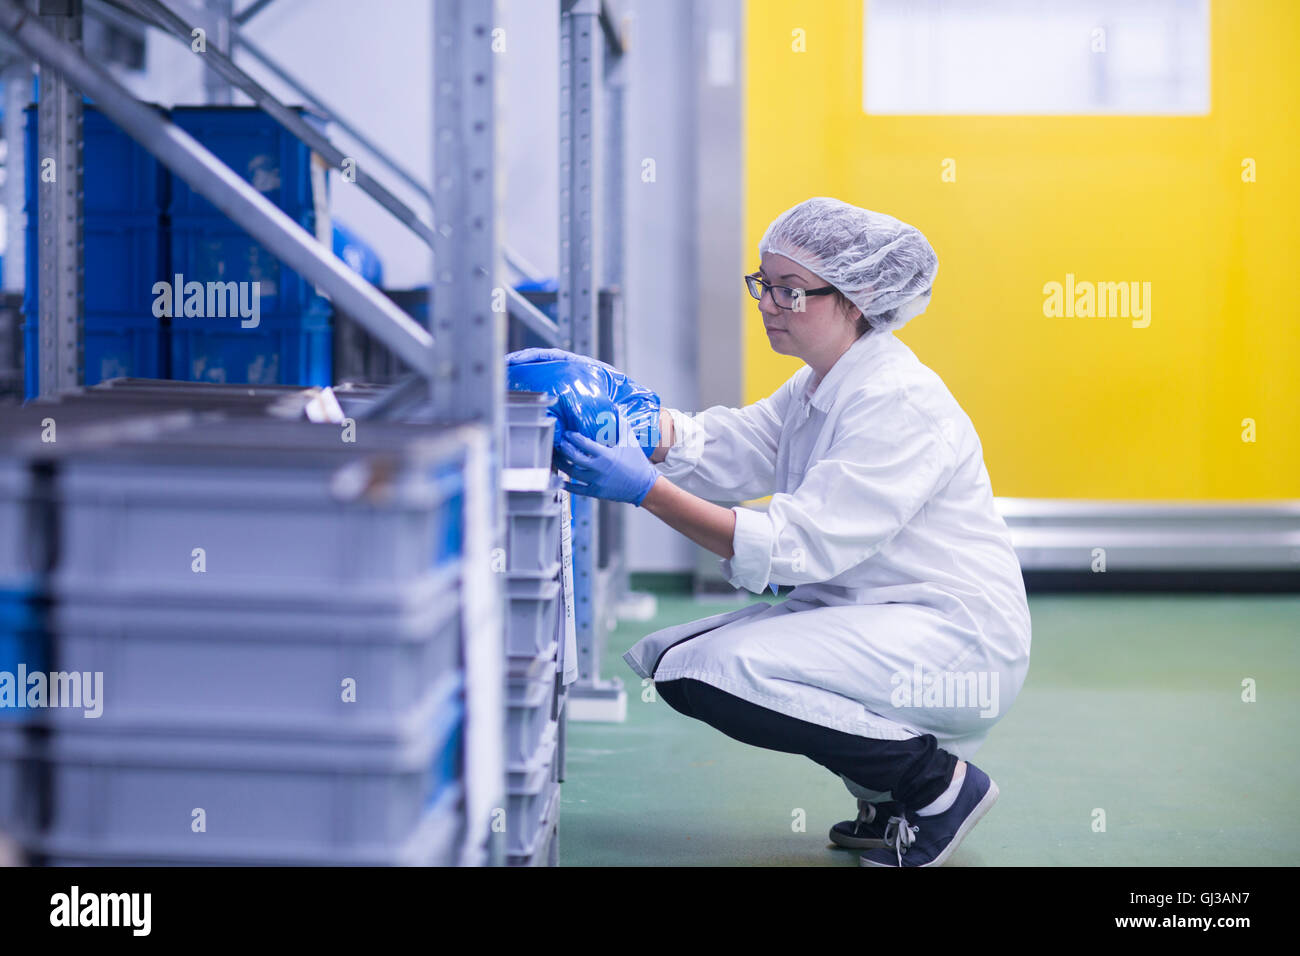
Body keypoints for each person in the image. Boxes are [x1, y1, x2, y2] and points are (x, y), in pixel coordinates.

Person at [511, 197, 1031, 867]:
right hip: (882, 618)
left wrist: (645, 490)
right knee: (677, 656)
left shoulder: (897, 400)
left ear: (855, 298)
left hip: (955, 643)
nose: (769, 305)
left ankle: (935, 788)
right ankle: (884, 796)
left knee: (720, 672)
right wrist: (642, 424)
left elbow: (798, 544)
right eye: (765, 285)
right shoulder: (822, 382)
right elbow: (738, 442)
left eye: (791, 292)